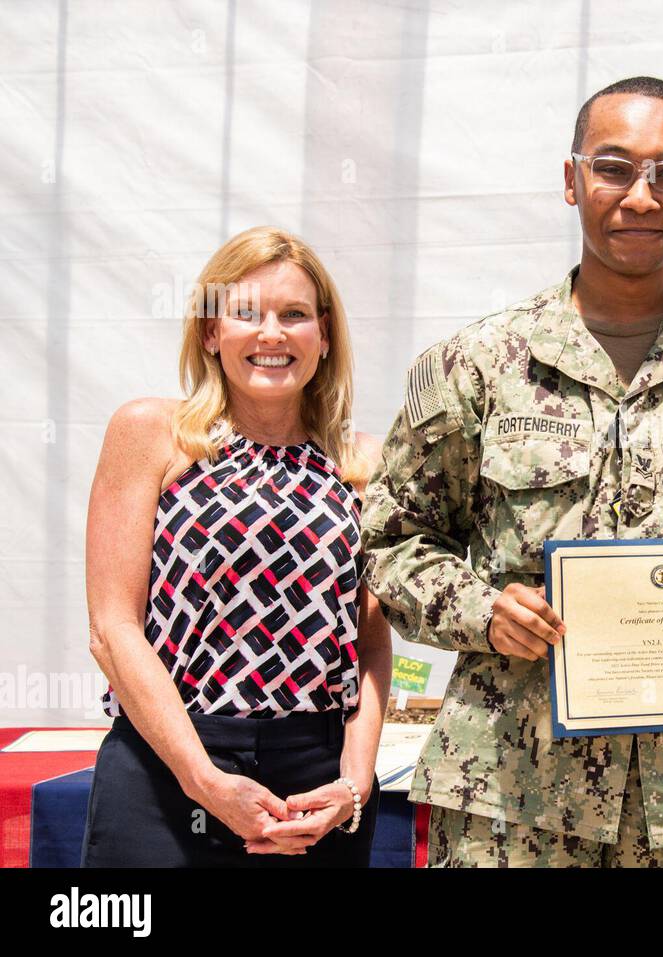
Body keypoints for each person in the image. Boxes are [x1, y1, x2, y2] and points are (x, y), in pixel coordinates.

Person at [361, 76, 663, 867]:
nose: (641, 196)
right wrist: (482, 609)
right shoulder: (475, 366)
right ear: (571, 179)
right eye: (614, 167)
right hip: (512, 808)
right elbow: (390, 541)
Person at [83, 226, 391, 866]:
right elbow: (113, 629)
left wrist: (355, 787)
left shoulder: (361, 463)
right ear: (210, 334)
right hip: (166, 766)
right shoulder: (151, 434)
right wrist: (204, 781)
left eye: (295, 315)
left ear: (325, 335)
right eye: (246, 313)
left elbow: (370, 642)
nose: (272, 334)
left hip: (317, 783)